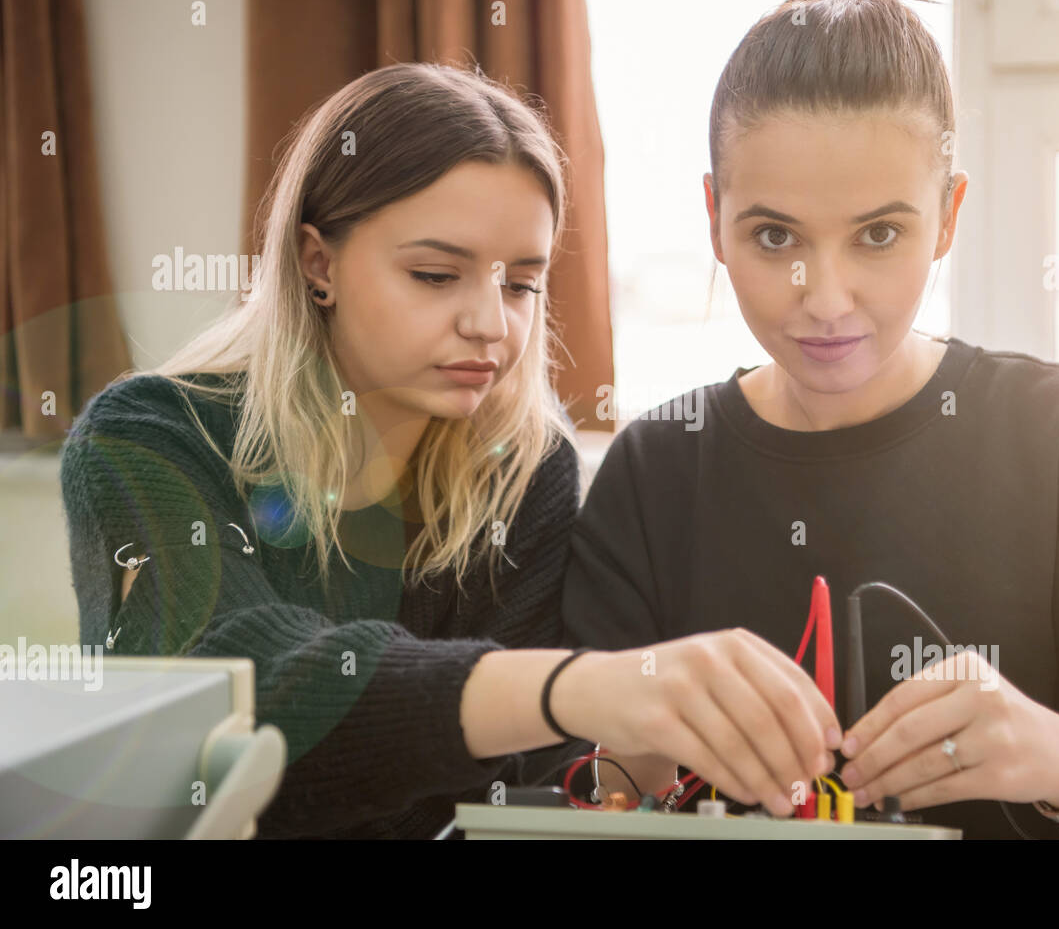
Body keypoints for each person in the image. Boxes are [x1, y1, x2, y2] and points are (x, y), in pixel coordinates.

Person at [59, 62, 839, 838]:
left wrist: (623, 766)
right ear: (317, 263)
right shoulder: (147, 439)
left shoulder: (524, 471)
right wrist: (577, 687)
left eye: (521, 285)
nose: (492, 325)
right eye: (436, 275)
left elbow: (514, 786)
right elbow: (234, 688)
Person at [560, 0, 1059, 839]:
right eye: (775, 237)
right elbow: (575, 794)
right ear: (714, 218)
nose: (827, 300)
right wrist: (633, 765)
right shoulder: (654, 470)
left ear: (948, 216)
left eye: (880, 234)